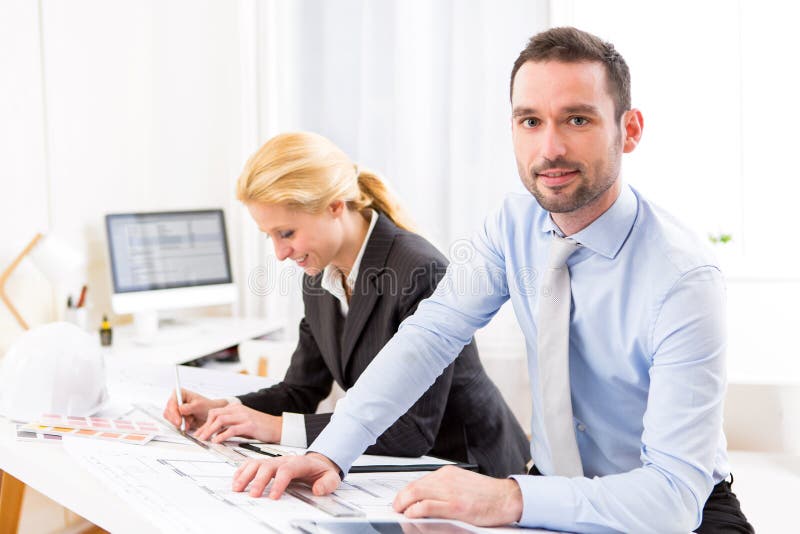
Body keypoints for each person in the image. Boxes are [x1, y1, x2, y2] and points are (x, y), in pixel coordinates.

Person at [229, 28, 755, 533]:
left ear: (630, 129)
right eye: (530, 121)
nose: (549, 148)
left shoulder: (684, 280)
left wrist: (509, 496)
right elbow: (430, 337)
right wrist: (329, 451)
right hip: (550, 496)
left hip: (672, 515)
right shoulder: (512, 225)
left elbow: (673, 499)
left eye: (576, 119)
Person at [163, 131, 530, 478]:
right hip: (408, 472)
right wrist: (224, 410)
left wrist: (274, 428)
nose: (279, 253)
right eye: (270, 236)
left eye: (286, 233)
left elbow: (411, 431)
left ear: (335, 206)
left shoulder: (419, 270)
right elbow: (300, 390)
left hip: (469, 466)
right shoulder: (320, 274)